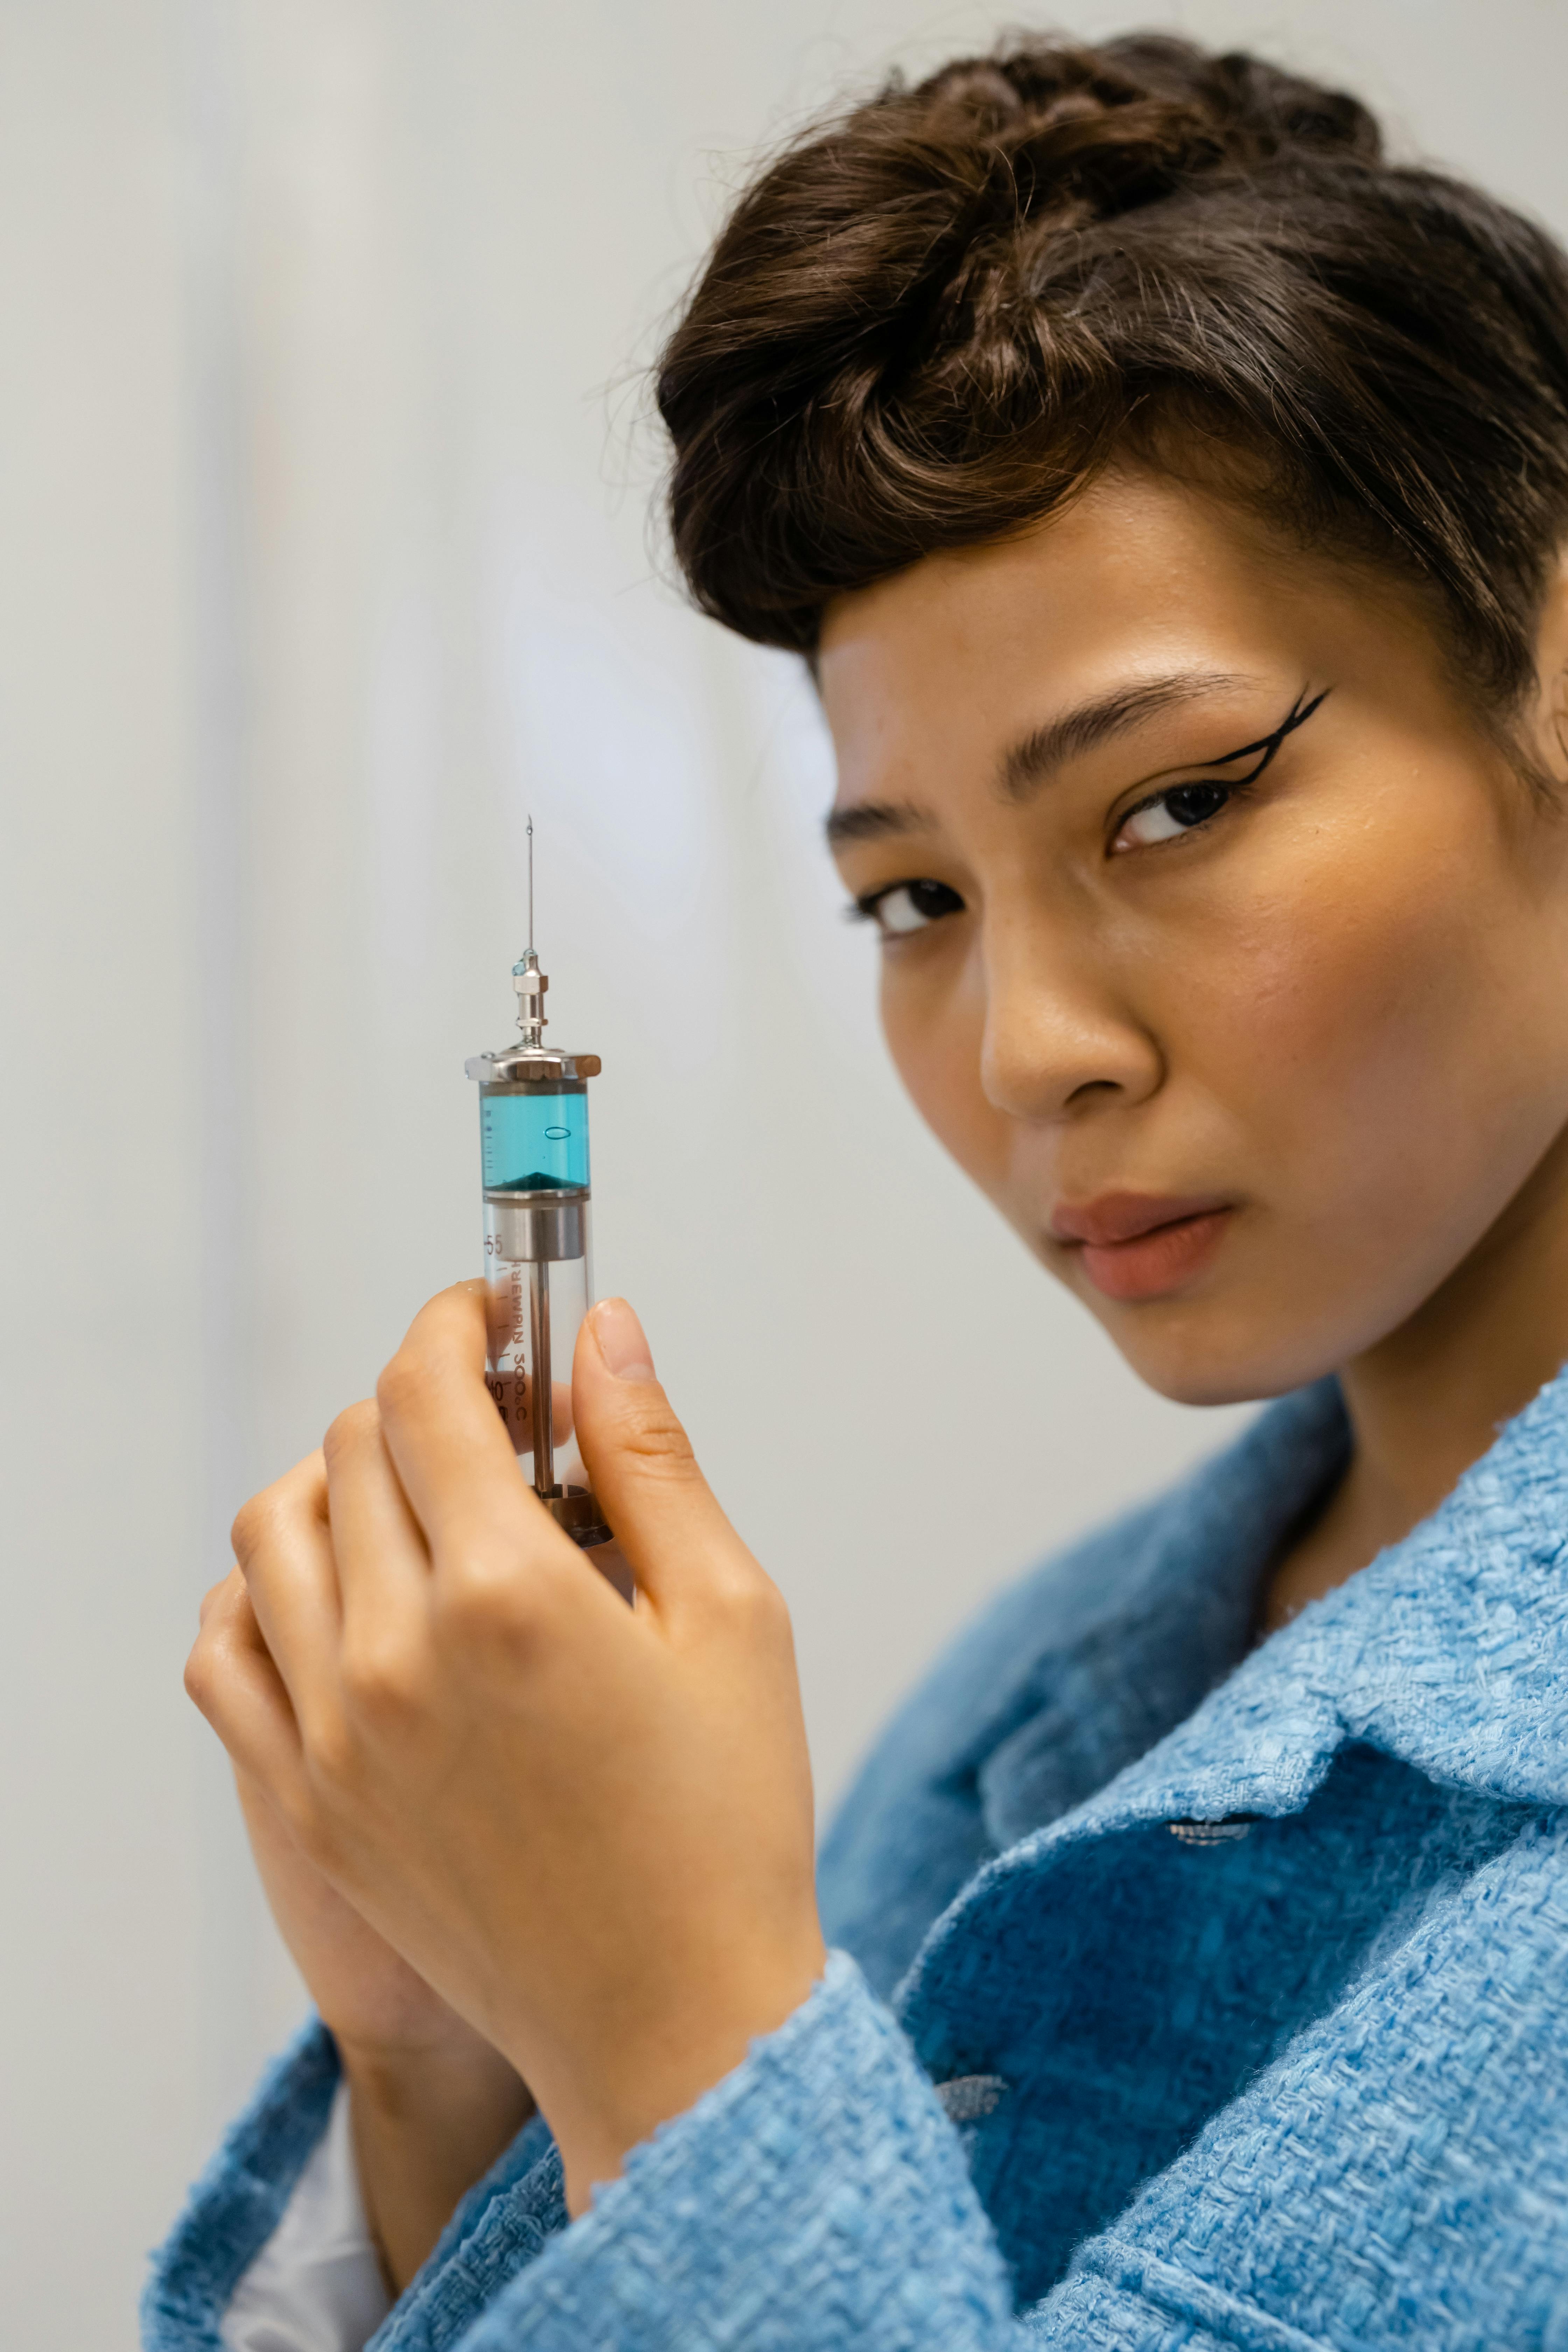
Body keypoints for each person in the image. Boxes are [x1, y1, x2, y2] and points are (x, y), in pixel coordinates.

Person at [146, 32, 1568, 2351]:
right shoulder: (1031, 1704)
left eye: (1176, 807)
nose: (1029, 1052)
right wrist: (452, 2057)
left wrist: (674, 2033)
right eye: (914, 903)